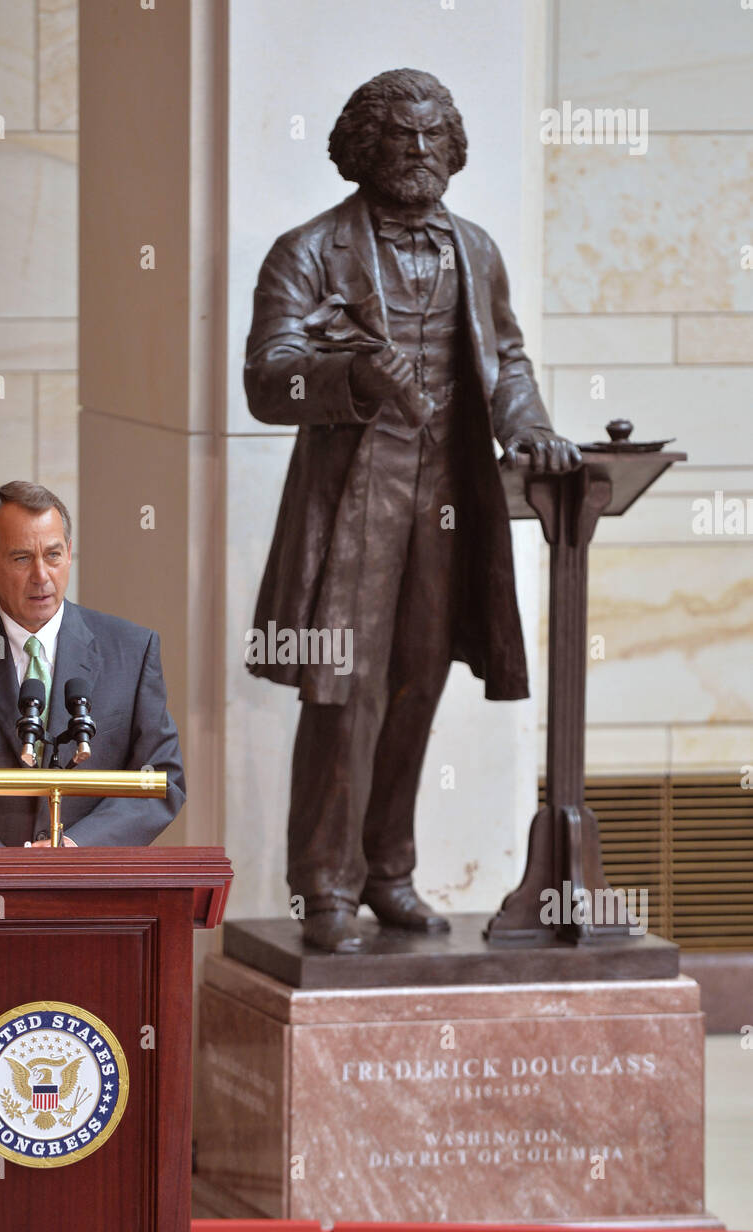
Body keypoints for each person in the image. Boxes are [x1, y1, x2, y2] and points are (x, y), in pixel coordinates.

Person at [244, 69, 581, 952]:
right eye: (401, 137)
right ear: (363, 146)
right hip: (356, 497)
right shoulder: (307, 250)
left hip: (448, 497)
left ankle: (388, 870)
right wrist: (351, 377)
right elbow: (265, 381)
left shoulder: (475, 247)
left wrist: (533, 430)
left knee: (416, 683)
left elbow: (505, 360)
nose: (421, 153)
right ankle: (323, 885)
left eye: (436, 137)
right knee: (340, 692)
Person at [0, 480, 185, 848]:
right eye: (22, 558)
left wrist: (76, 849)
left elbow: (160, 779)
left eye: (53, 555)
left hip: (93, 893)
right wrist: (8, 869)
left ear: (70, 554)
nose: (41, 575)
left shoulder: (133, 651)